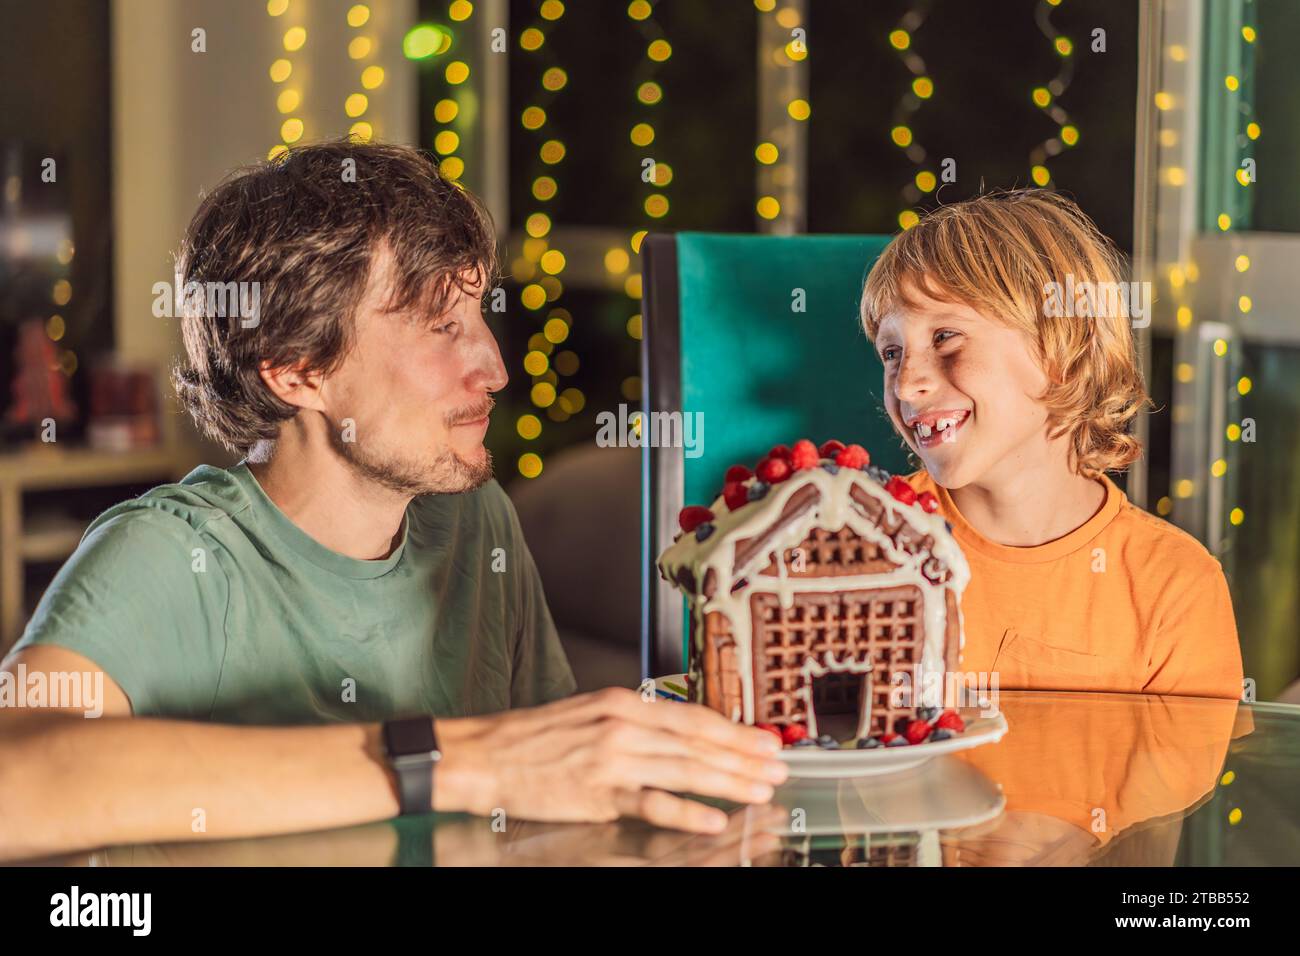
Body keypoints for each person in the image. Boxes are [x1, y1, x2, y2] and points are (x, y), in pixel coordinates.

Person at [0, 141, 785, 860]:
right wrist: (448, 762)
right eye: (440, 327)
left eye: (478, 313)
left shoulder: (475, 522)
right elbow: (15, 788)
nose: (493, 368)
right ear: (298, 370)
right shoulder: (170, 557)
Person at [860, 189, 1243, 700]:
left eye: (946, 336)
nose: (906, 385)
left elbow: (1198, 777)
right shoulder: (860, 544)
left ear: (1063, 348)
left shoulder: (1174, 587)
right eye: (891, 351)